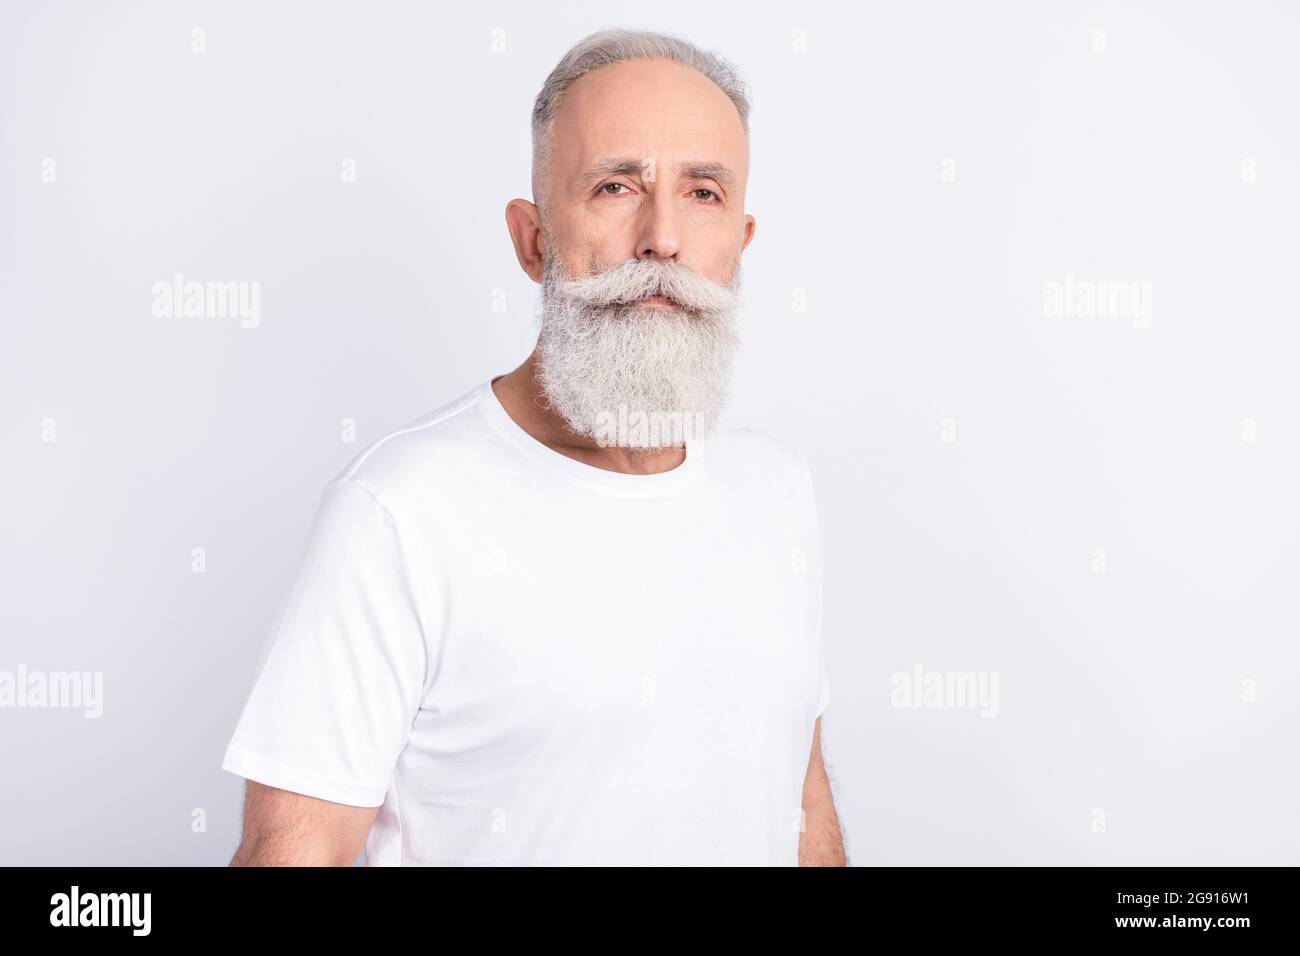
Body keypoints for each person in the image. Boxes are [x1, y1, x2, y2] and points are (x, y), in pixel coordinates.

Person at [222, 27, 845, 866]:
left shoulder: (778, 493)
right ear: (532, 239)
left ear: (739, 243)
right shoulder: (398, 515)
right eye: (616, 185)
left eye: (704, 192)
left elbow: (798, 798)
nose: (662, 238)